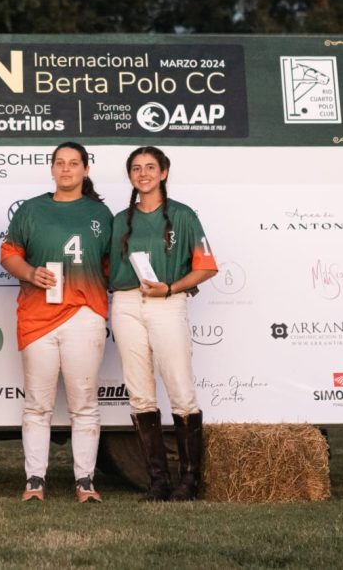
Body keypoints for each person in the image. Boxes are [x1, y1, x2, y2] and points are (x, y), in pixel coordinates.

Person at [0, 141, 112, 503]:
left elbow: (112, 267)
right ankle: (35, 480)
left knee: (84, 404)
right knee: (37, 403)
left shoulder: (101, 213)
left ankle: (85, 481)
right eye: (60, 163)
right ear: (51, 168)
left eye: (74, 163)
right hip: (38, 317)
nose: (66, 169)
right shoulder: (32, 209)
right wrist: (31, 273)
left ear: (85, 169)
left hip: (84, 315)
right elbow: (9, 254)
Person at [109, 146, 217, 502]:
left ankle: (189, 481)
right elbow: (108, 268)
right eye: (136, 168)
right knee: (139, 391)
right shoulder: (119, 219)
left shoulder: (183, 216)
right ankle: (158, 480)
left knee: (180, 389)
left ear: (164, 172)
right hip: (126, 303)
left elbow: (205, 267)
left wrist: (171, 287)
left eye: (150, 167)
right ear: (130, 176)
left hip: (167, 303)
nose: (143, 174)